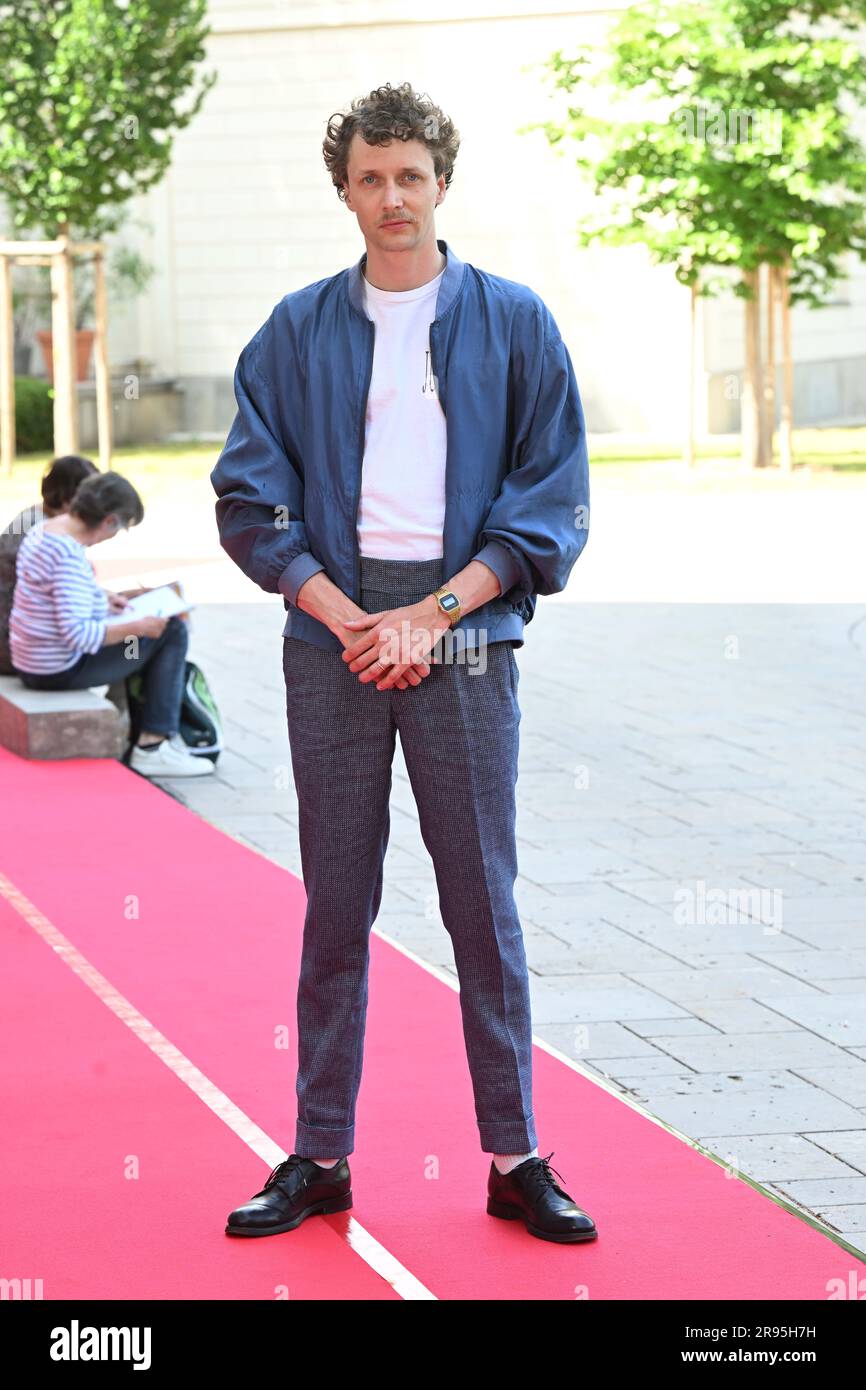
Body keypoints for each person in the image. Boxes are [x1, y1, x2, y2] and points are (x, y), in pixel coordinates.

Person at [215, 82, 595, 1242]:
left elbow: (549, 501)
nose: (391, 198)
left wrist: (432, 613)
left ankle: (513, 1153)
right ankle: (319, 1154)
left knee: (483, 901)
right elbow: (249, 497)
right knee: (335, 904)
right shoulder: (292, 331)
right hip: (333, 632)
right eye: (369, 178)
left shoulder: (515, 321)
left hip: (463, 629)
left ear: (441, 182)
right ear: (345, 189)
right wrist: (346, 617)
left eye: (409, 176)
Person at [9, 470, 213, 779]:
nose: (114, 535)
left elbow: (51, 597)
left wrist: (104, 600)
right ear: (108, 521)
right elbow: (80, 635)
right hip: (57, 669)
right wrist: (139, 628)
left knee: (145, 632)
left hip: (32, 660)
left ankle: (136, 723)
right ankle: (153, 745)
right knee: (172, 631)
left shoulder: (44, 531)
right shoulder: (67, 556)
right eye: (120, 528)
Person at [0, 454, 98, 675]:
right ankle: (123, 706)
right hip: (20, 651)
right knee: (134, 637)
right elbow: (72, 611)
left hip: (16, 643)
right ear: (67, 499)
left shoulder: (31, 517)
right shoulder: (52, 534)